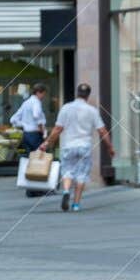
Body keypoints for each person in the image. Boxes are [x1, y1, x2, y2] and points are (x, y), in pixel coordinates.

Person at [41, 82, 111, 213]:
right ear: (88, 95)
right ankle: (76, 204)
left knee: (67, 171)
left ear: (77, 93)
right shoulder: (92, 110)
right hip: (84, 146)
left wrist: (47, 143)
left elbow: (57, 129)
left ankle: (66, 191)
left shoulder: (66, 108)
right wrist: (110, 147)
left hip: (68, 145)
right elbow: (102, 131)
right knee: (81, 175)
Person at [9, 82, 47, 154]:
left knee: (29, 157)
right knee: (39, 156)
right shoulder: (36, 102)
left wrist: (24, 124)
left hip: (26, 135)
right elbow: (36, 115)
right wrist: (42, 131)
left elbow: (13, 119)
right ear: (38, 93)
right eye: (43, 94)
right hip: (35, 135)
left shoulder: (26, 103)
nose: (44, 96)